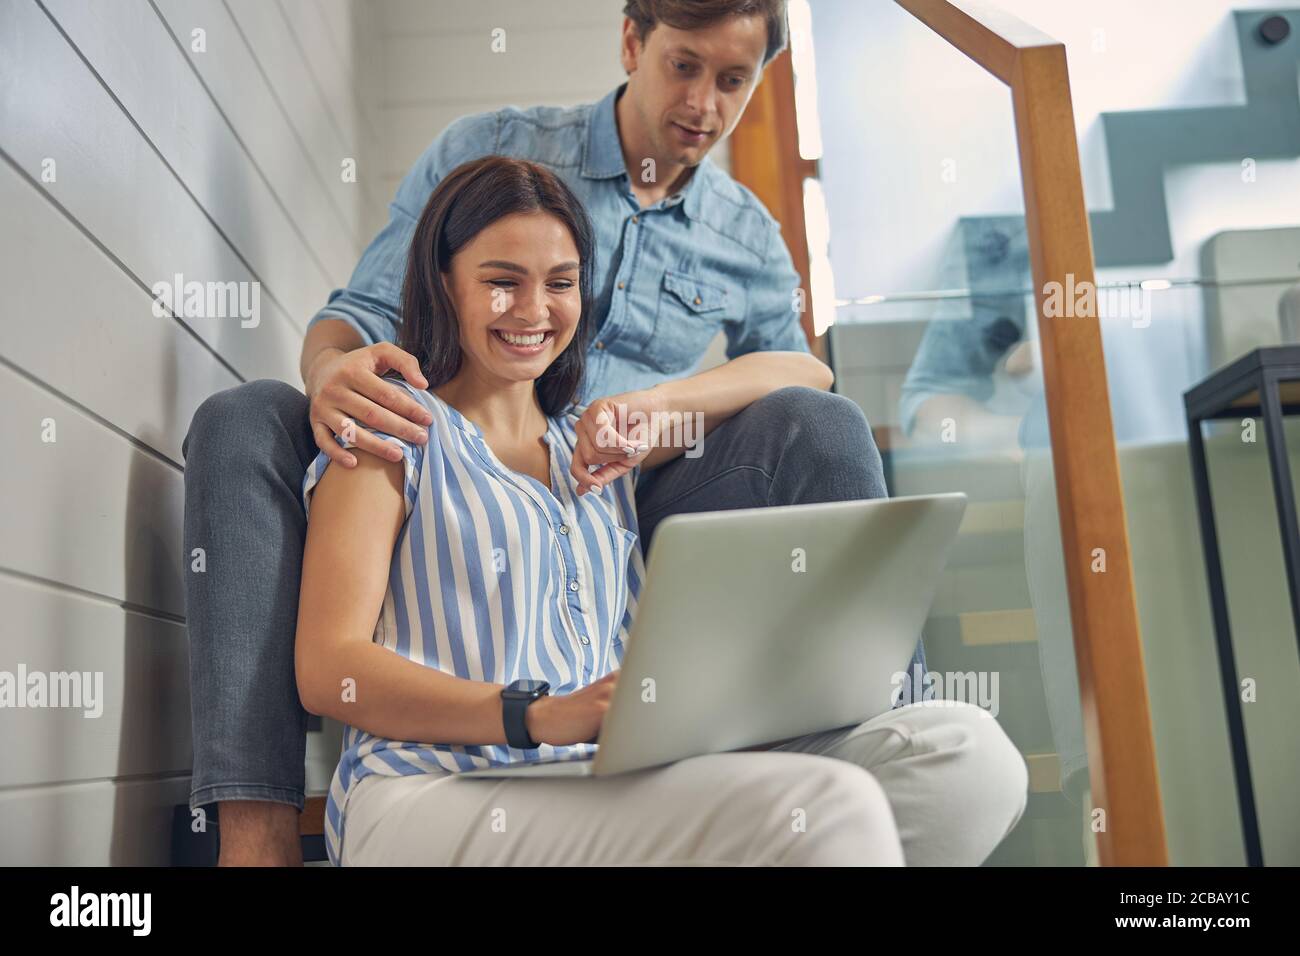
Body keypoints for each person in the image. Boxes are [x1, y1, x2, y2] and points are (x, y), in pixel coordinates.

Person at [185, 0, 927, 866]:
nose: (705, 104)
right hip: (470, 475)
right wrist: (328, 377)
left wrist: (662, 413)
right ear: (630, 42)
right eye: (683, 66)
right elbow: (356, 315)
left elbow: (804, 369)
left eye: (735, 80)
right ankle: (258, 841)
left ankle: (872, 743)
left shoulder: (747, 233)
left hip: (638, 493)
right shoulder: (491, 150)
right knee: (242, 418)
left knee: (824, 427)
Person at [295, 154, 1028, 866]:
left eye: (560, 283)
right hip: (432, 791)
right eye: (501, 282)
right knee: (831, 804)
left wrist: (652, 405)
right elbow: (330, 670)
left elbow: (807, 372)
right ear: (444, 284)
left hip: (601, 778)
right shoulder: (394, 432)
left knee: (966, 757)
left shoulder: (598, 449)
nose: (533, 310)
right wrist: (535, 714)